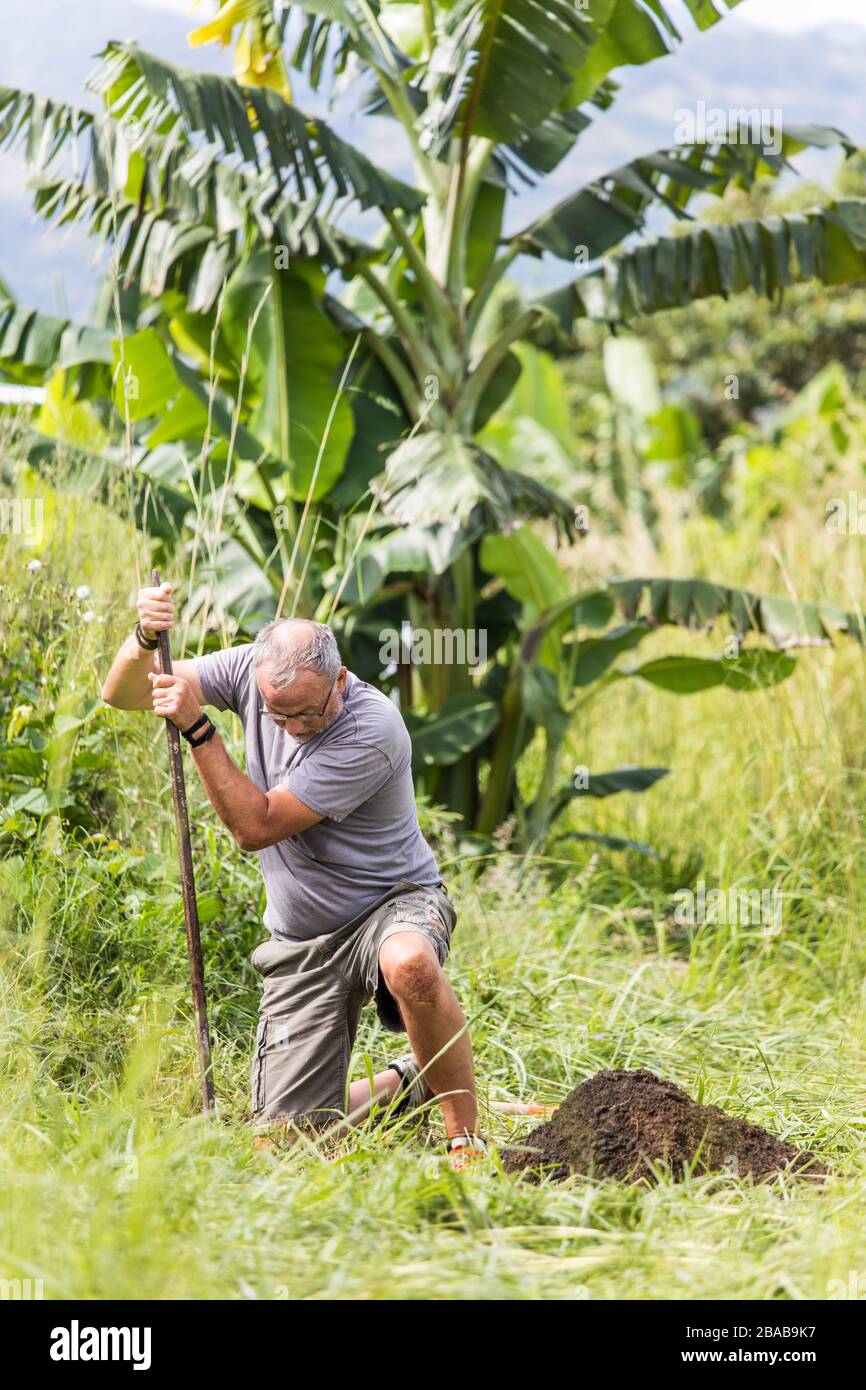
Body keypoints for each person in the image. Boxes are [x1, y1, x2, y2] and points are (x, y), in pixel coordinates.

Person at [101, 582, 488, 1169]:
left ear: (339, 680)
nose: (292, 727)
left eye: (307, 711)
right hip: (302, 939)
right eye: (276, 713)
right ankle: (408, 1082)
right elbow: (123, 693)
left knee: (409, 962)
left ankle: (465, 1137)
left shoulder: (371, 728)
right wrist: (146, 639)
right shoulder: (252, 673)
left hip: (391, 903)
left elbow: (256, 827)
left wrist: (199, 729)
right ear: (258, 680)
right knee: (284, 1148)